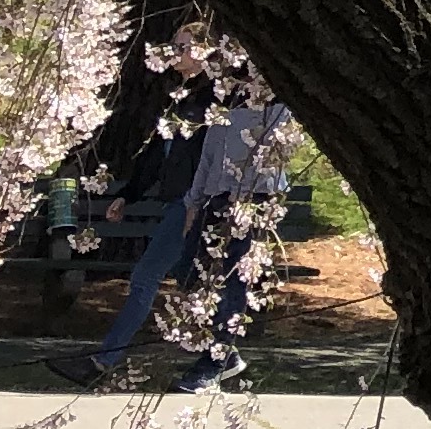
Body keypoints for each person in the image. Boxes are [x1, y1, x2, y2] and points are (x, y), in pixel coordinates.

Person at [48, 96, 294, 392]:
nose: (176, 55)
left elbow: (264, 158)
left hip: (226, 202)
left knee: (188, 279)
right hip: (197, 202)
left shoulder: (245, 102)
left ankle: (112, 361)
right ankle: (219, 353)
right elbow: (182, 156)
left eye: (182, 47)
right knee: (189, 278)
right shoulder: (196, 98)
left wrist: (215, 199)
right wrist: (137, 194)